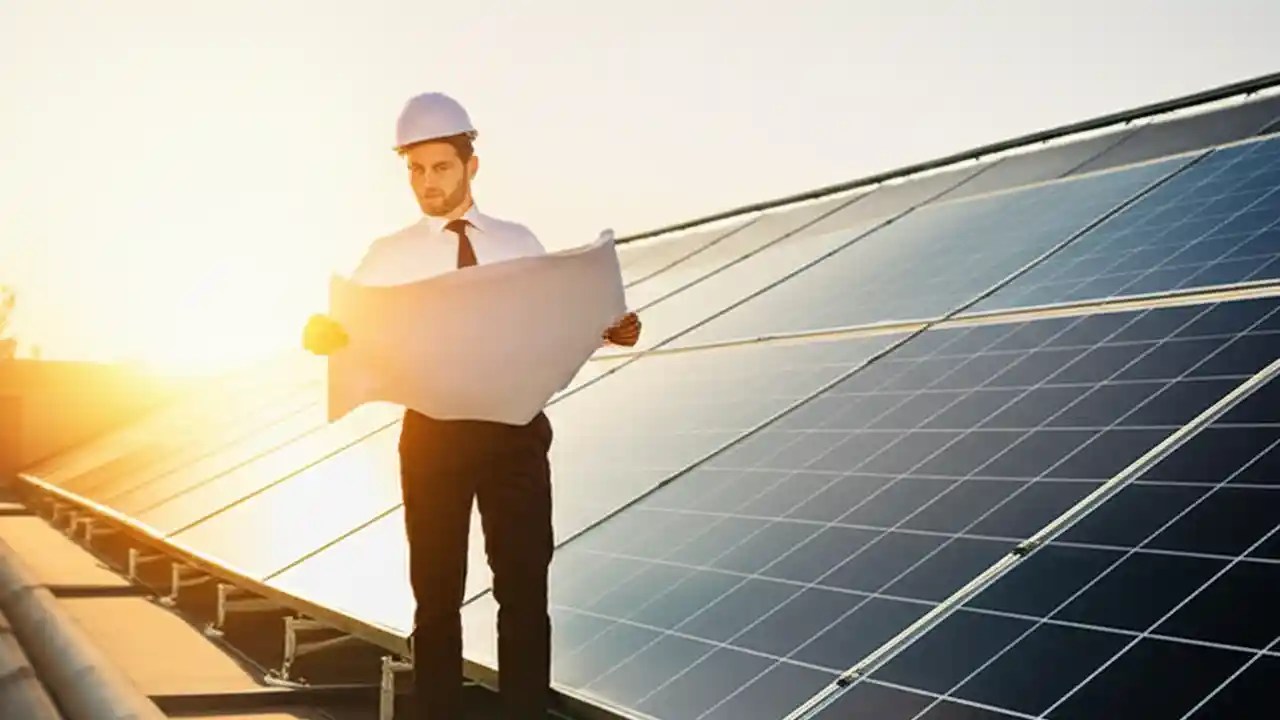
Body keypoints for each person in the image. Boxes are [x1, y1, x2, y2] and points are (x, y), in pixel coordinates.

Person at [302, 91, 640, 719]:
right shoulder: (386, 256)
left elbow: (556, 322)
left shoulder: (519, 241)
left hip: (515, 436)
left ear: (471, 166)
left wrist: (611, 328)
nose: (427, 184)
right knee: (435, 600)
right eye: (415, 170)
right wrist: (321, 336)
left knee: (523, 593)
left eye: (440, 168)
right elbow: (346, 330)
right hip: (432, 440)